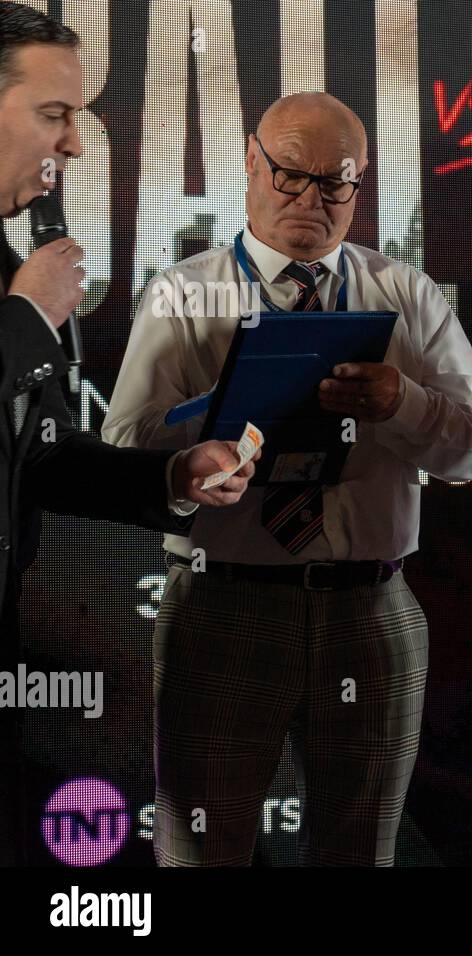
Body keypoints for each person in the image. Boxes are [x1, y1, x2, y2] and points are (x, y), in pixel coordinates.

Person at [102, 91, 472, 866]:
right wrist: (201, 446)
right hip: (222, 604)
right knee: (201, 853)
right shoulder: (181, 293)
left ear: (361, 181)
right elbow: (123, 448)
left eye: (335, 182)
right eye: (289, 176)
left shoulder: (406, 294)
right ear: (250, 160)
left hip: (372, 612)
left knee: (360, 852)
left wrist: (401, 401)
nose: (311, 199)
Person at [0, 2, 255, 866]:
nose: (74, 144)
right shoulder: (22, 297)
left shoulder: (10, 272)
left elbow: (39, 460)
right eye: (55, 114)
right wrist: (28, 321)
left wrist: (172, 477)